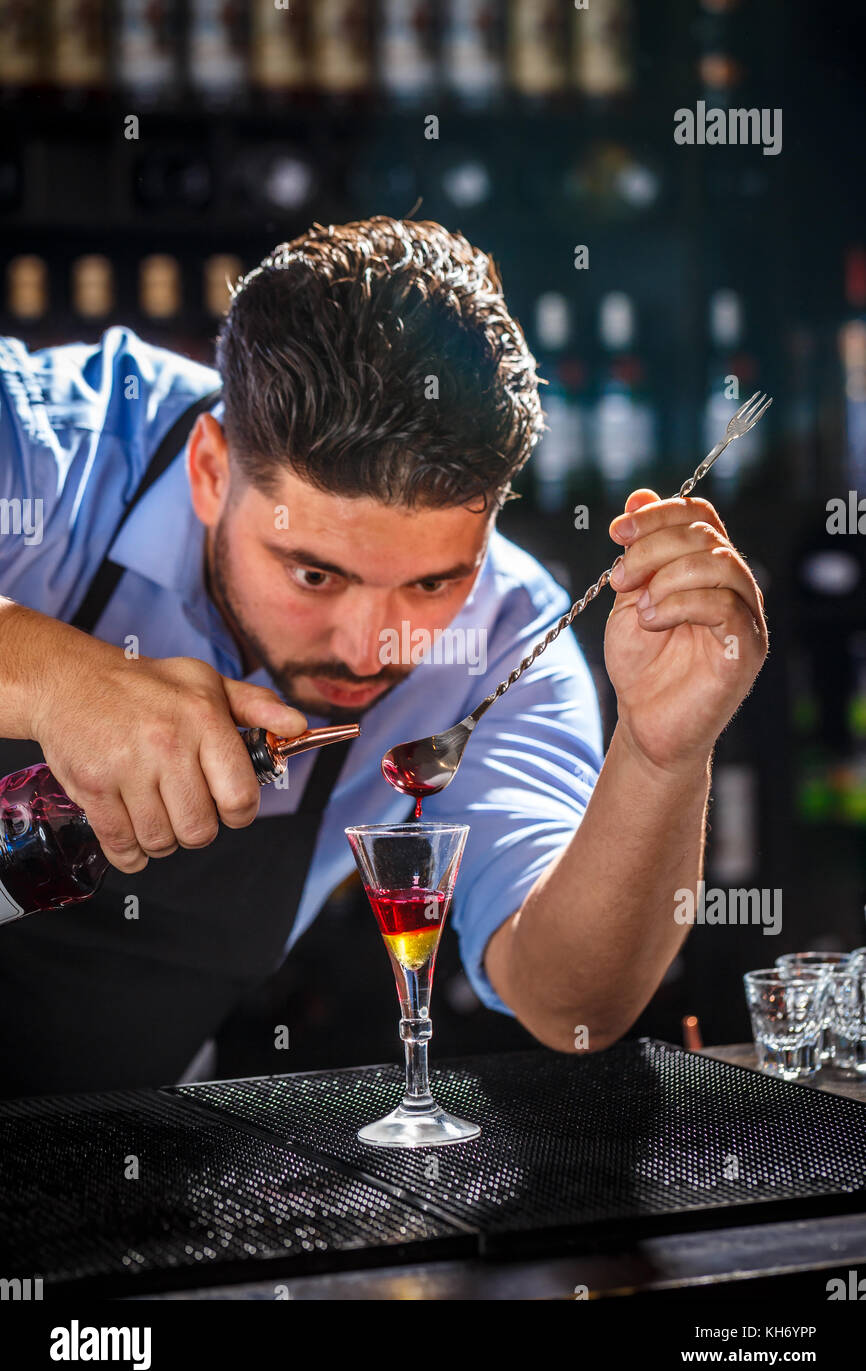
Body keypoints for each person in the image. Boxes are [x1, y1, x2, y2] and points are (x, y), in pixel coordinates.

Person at [0, 216, 767, 1096]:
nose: (373, 651)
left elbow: (569, 1004)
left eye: (435, 584)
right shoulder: (43, 444)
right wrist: (62, 679)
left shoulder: (507, 636)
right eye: (315, 573)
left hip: (108, 1147)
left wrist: (662, 757)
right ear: (211, 471)